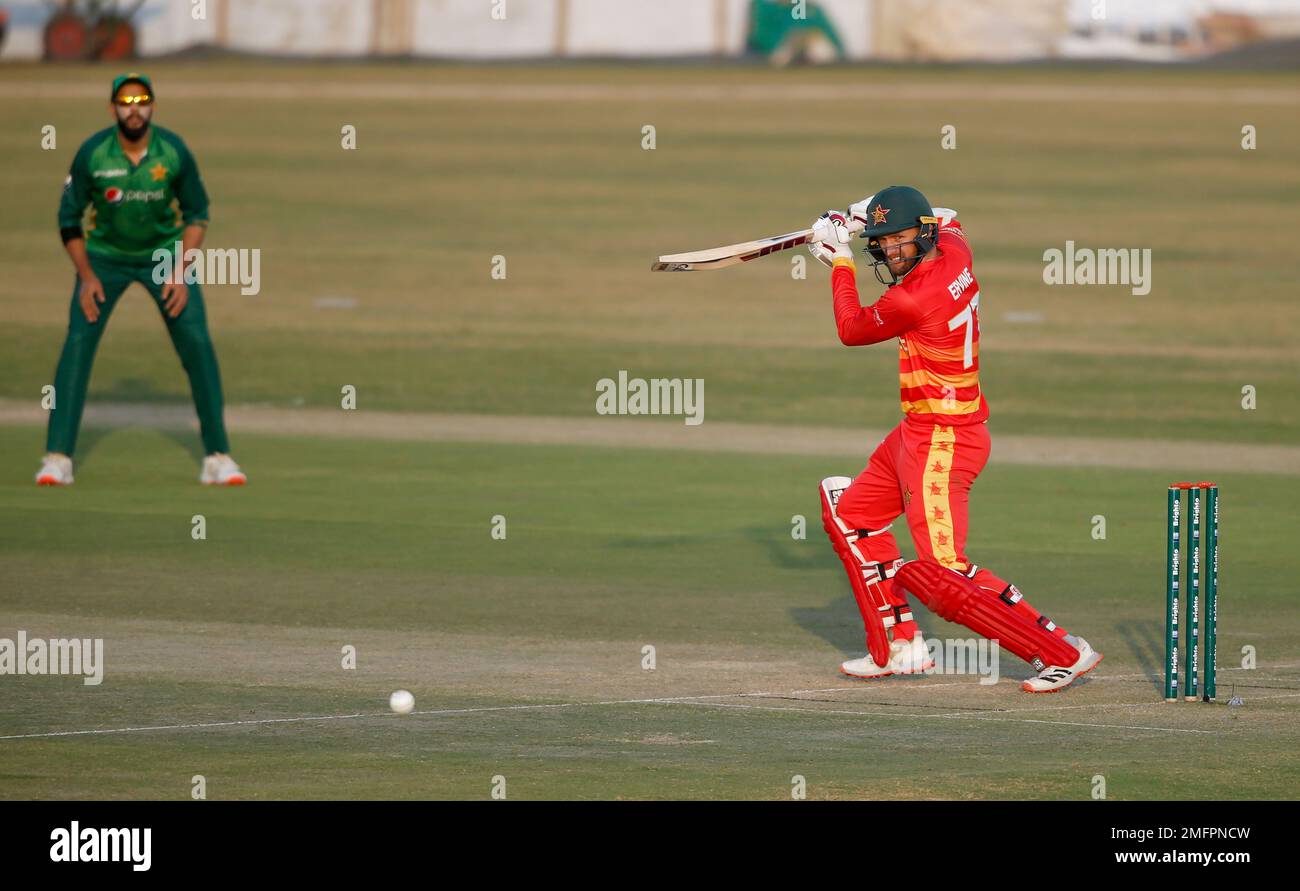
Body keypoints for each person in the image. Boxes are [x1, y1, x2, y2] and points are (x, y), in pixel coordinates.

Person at [809, 185, 1101, 693]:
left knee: (944, 576)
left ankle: (1062, 651)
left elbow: (851, 330)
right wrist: (862, 218)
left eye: (899, 241)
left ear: (923, 236)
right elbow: (950, 218)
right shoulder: (955, 250)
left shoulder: (912, 296)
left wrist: (839, 259)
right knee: (851, 514)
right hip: (917, 430)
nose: (890, 253)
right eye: (882, 243)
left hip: (944, 441)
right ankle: (899, 647)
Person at [37, 73, 245, 487]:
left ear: (153, 106)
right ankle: (57, 458)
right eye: (125, 101)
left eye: (142, 100)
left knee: (198, 344)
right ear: (112, 107)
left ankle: (218, 457)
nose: (134, 108)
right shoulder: (94, 155)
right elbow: (68, 220)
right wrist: (86, 277)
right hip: (104, 260)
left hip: (165, 257)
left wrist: (181, 272)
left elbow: (197, 215)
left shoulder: (173, 151)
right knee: (77, 346)